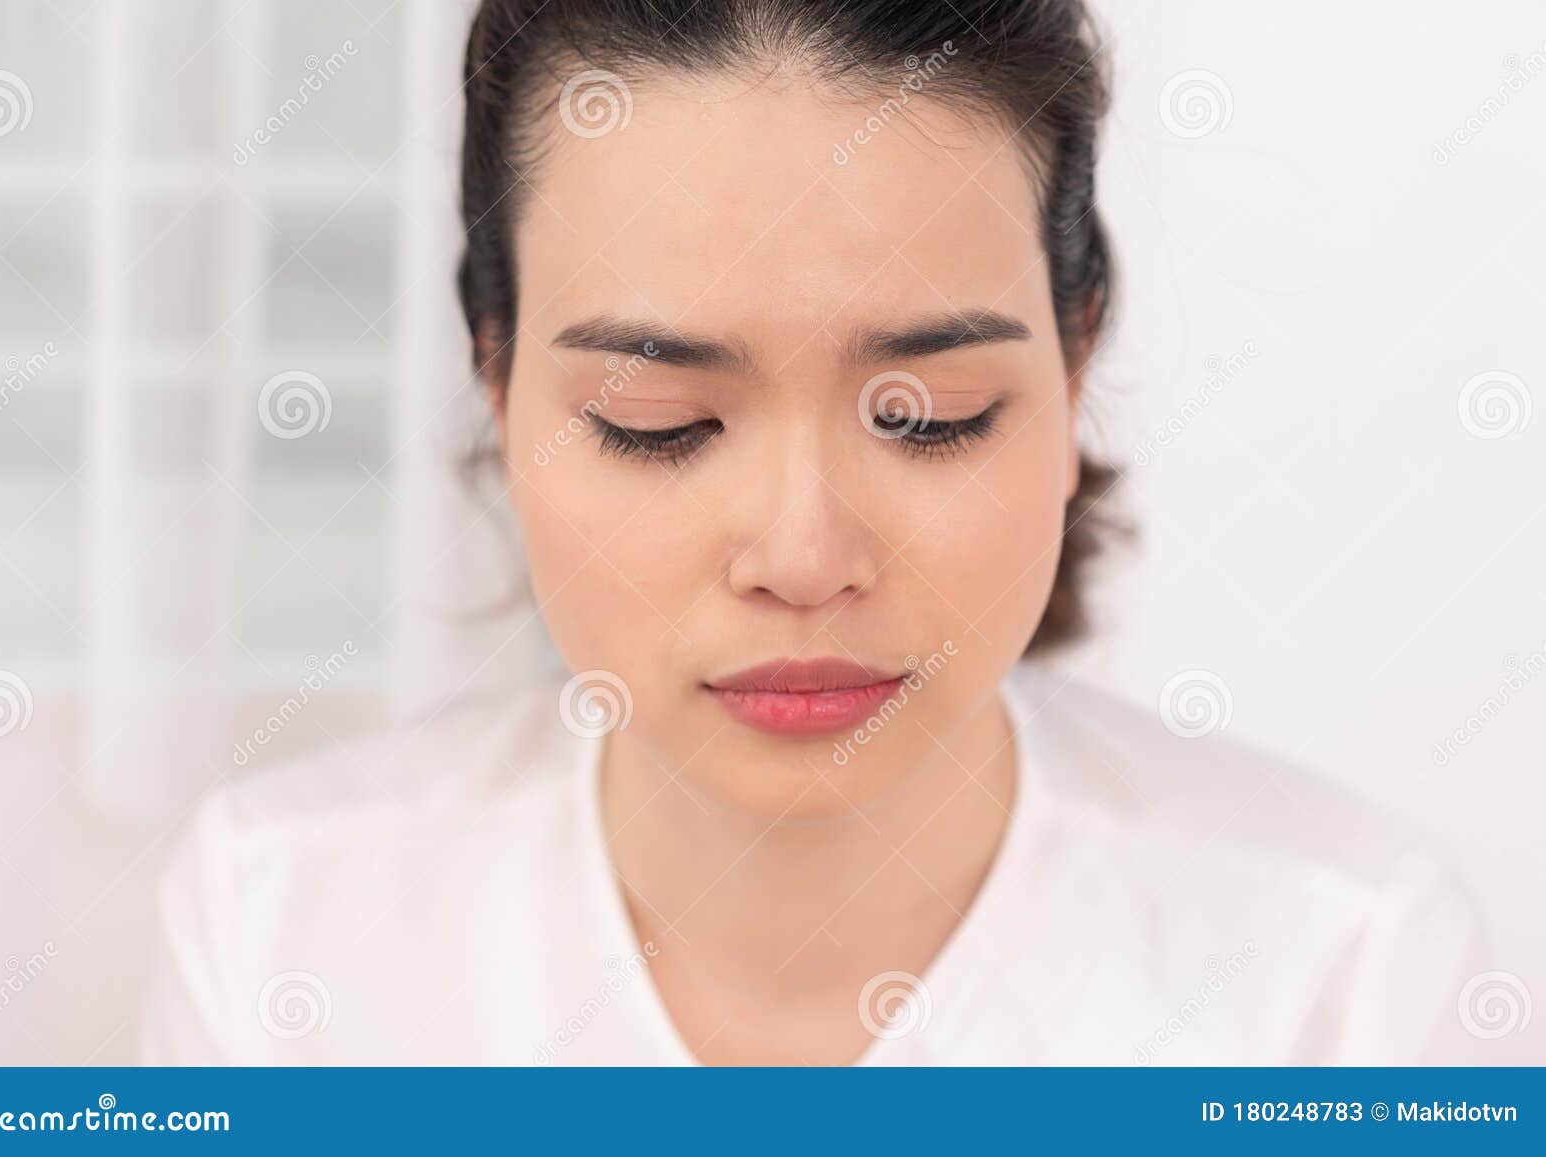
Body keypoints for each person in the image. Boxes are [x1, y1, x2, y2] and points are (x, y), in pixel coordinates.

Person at [141, 0, 1494, 1066]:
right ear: (496, 383)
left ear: (1075, 374)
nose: (802, 553)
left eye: (932, 414)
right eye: (656, 420)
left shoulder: (1343, 976)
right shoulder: (281, 929)